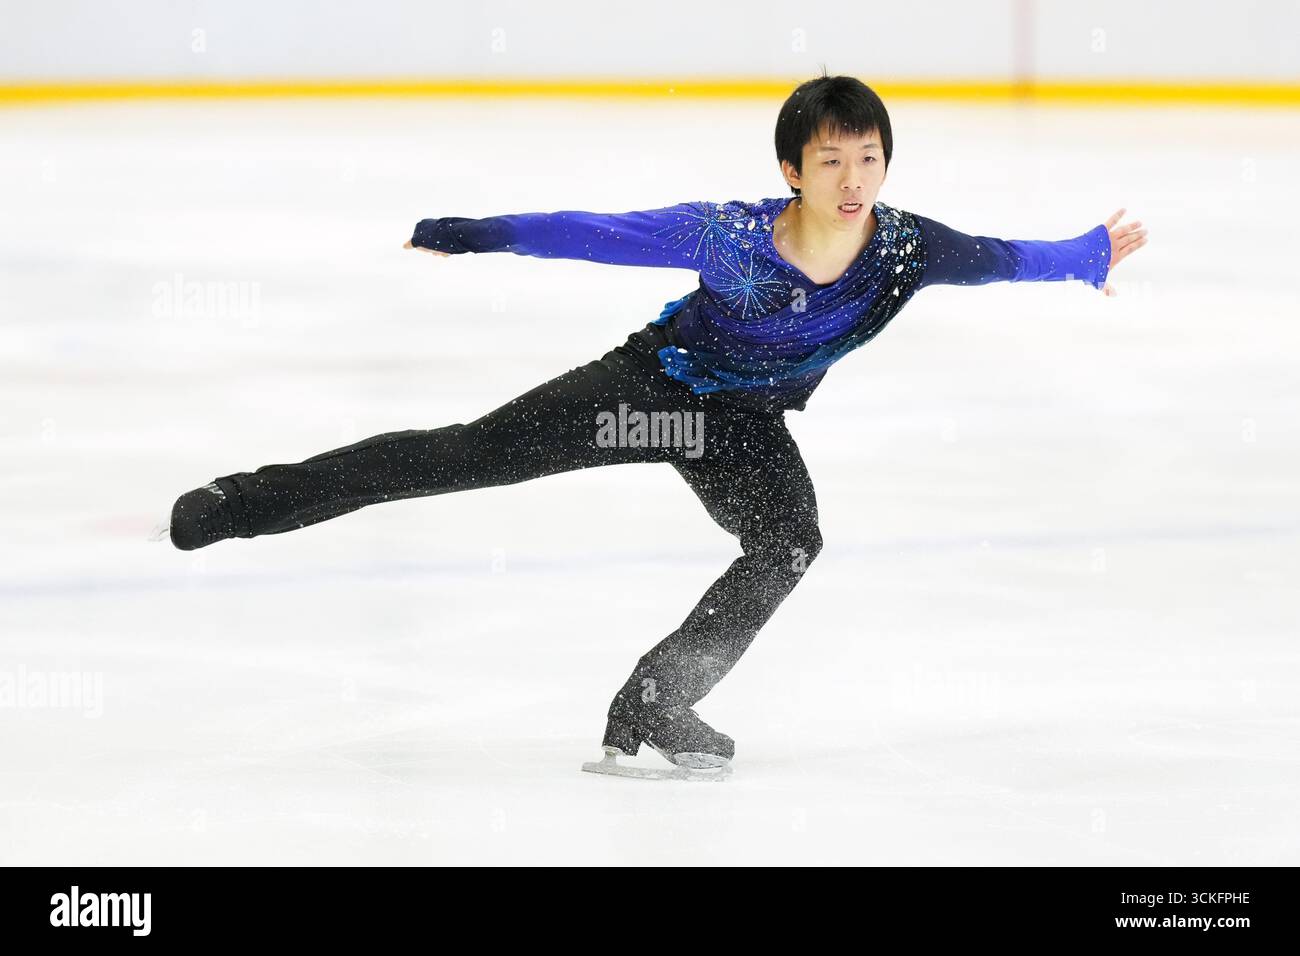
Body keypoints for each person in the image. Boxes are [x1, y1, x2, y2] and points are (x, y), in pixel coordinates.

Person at [164, 74, 1148, 772]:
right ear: (790, 167)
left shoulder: (902, 250)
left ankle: (659, 696)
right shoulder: (726, 236)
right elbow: (596, 233)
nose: (854, 178)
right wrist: (483, 235)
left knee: (789, 538)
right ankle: (240, 502)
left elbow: (1005, 255)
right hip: (649, 396)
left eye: (869, 157)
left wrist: (1086, 254)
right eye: (832, 159)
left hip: (740, 425)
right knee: (464, 454)